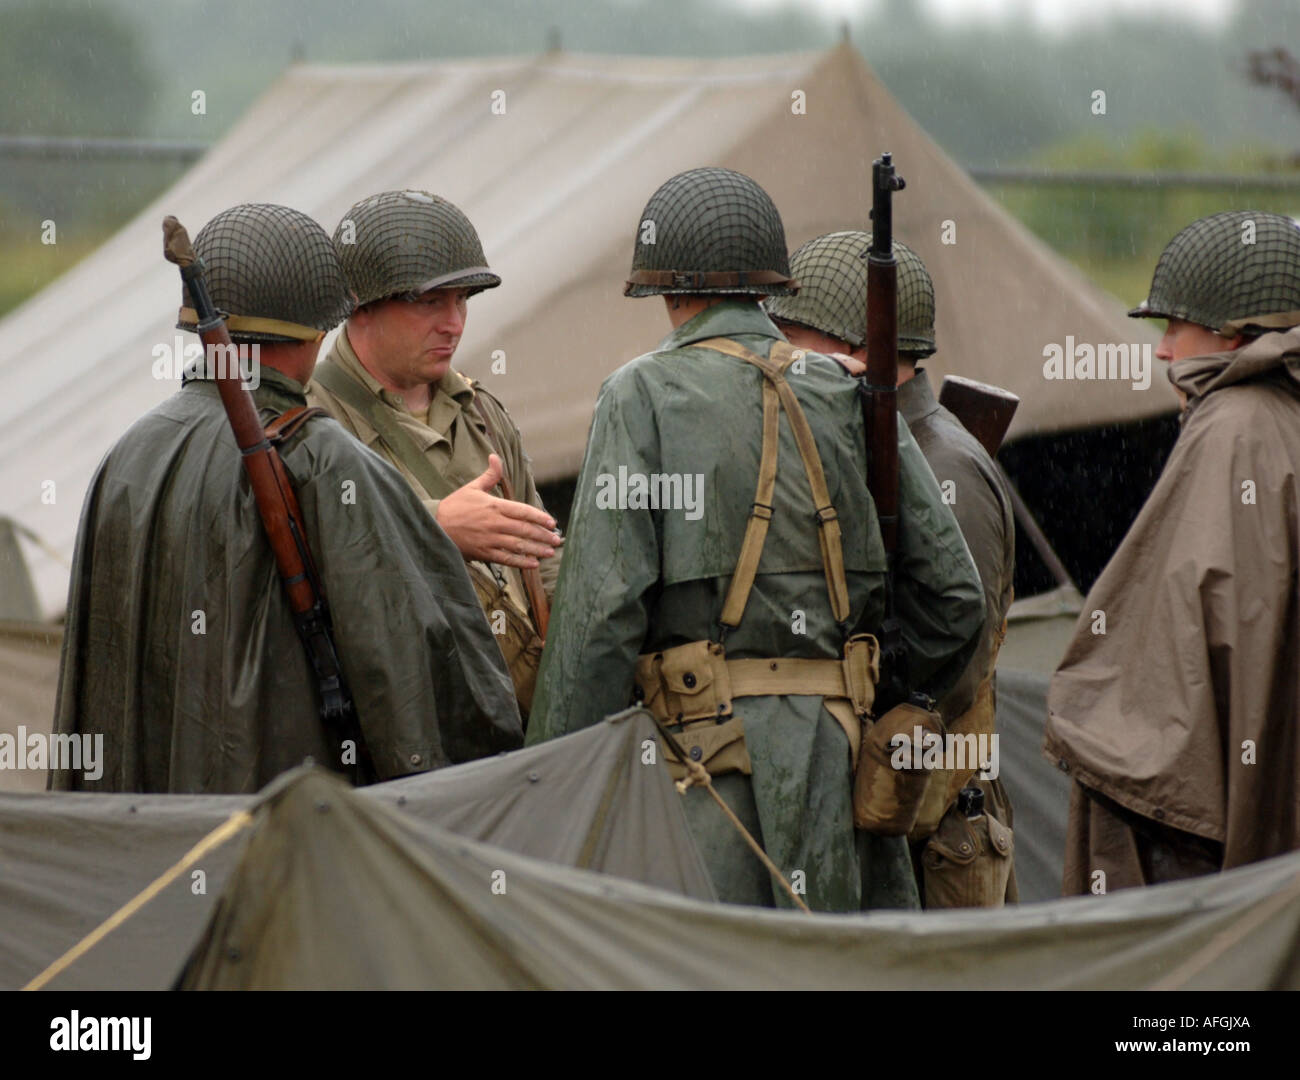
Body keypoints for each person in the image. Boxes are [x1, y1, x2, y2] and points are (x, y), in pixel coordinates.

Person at [526, 168, 984, 912]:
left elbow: (600, 618)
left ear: (666, 292)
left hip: (704, 783)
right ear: (771, 289)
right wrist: (870, 691)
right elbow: (955, 600)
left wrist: (549, 792)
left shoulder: (639, 395)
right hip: (847, 780)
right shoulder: (847, 392)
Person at [50, 203, 522, 794]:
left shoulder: (125, 458)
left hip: (148, 844)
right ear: (321, 328)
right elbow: (423, 688)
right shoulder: (324, 457)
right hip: (291, 839)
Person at [1044, 210, 1300, 894]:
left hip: (1201, 844)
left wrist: (1090, 715)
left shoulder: (1234, 430)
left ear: (1232, 332)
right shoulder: (1275, 420)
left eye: (1173, 326)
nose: (1161, 349)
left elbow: (1185, 646)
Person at [766, 232, 1017, 908]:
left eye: (792, 337)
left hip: (934, 832)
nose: (779, 357)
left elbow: (954, 669)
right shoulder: (880, 454)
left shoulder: (945, 471)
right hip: (894, 813)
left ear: (857, 353)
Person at [307, 190, 561, 719]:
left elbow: (547, 563)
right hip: (398, 734)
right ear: (361, 305)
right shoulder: (309, 421)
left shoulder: (483, 414)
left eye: (462, 300)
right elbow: (313, 570)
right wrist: (435, 528)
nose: (454, 323)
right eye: (430, 302)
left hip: (519, 729)